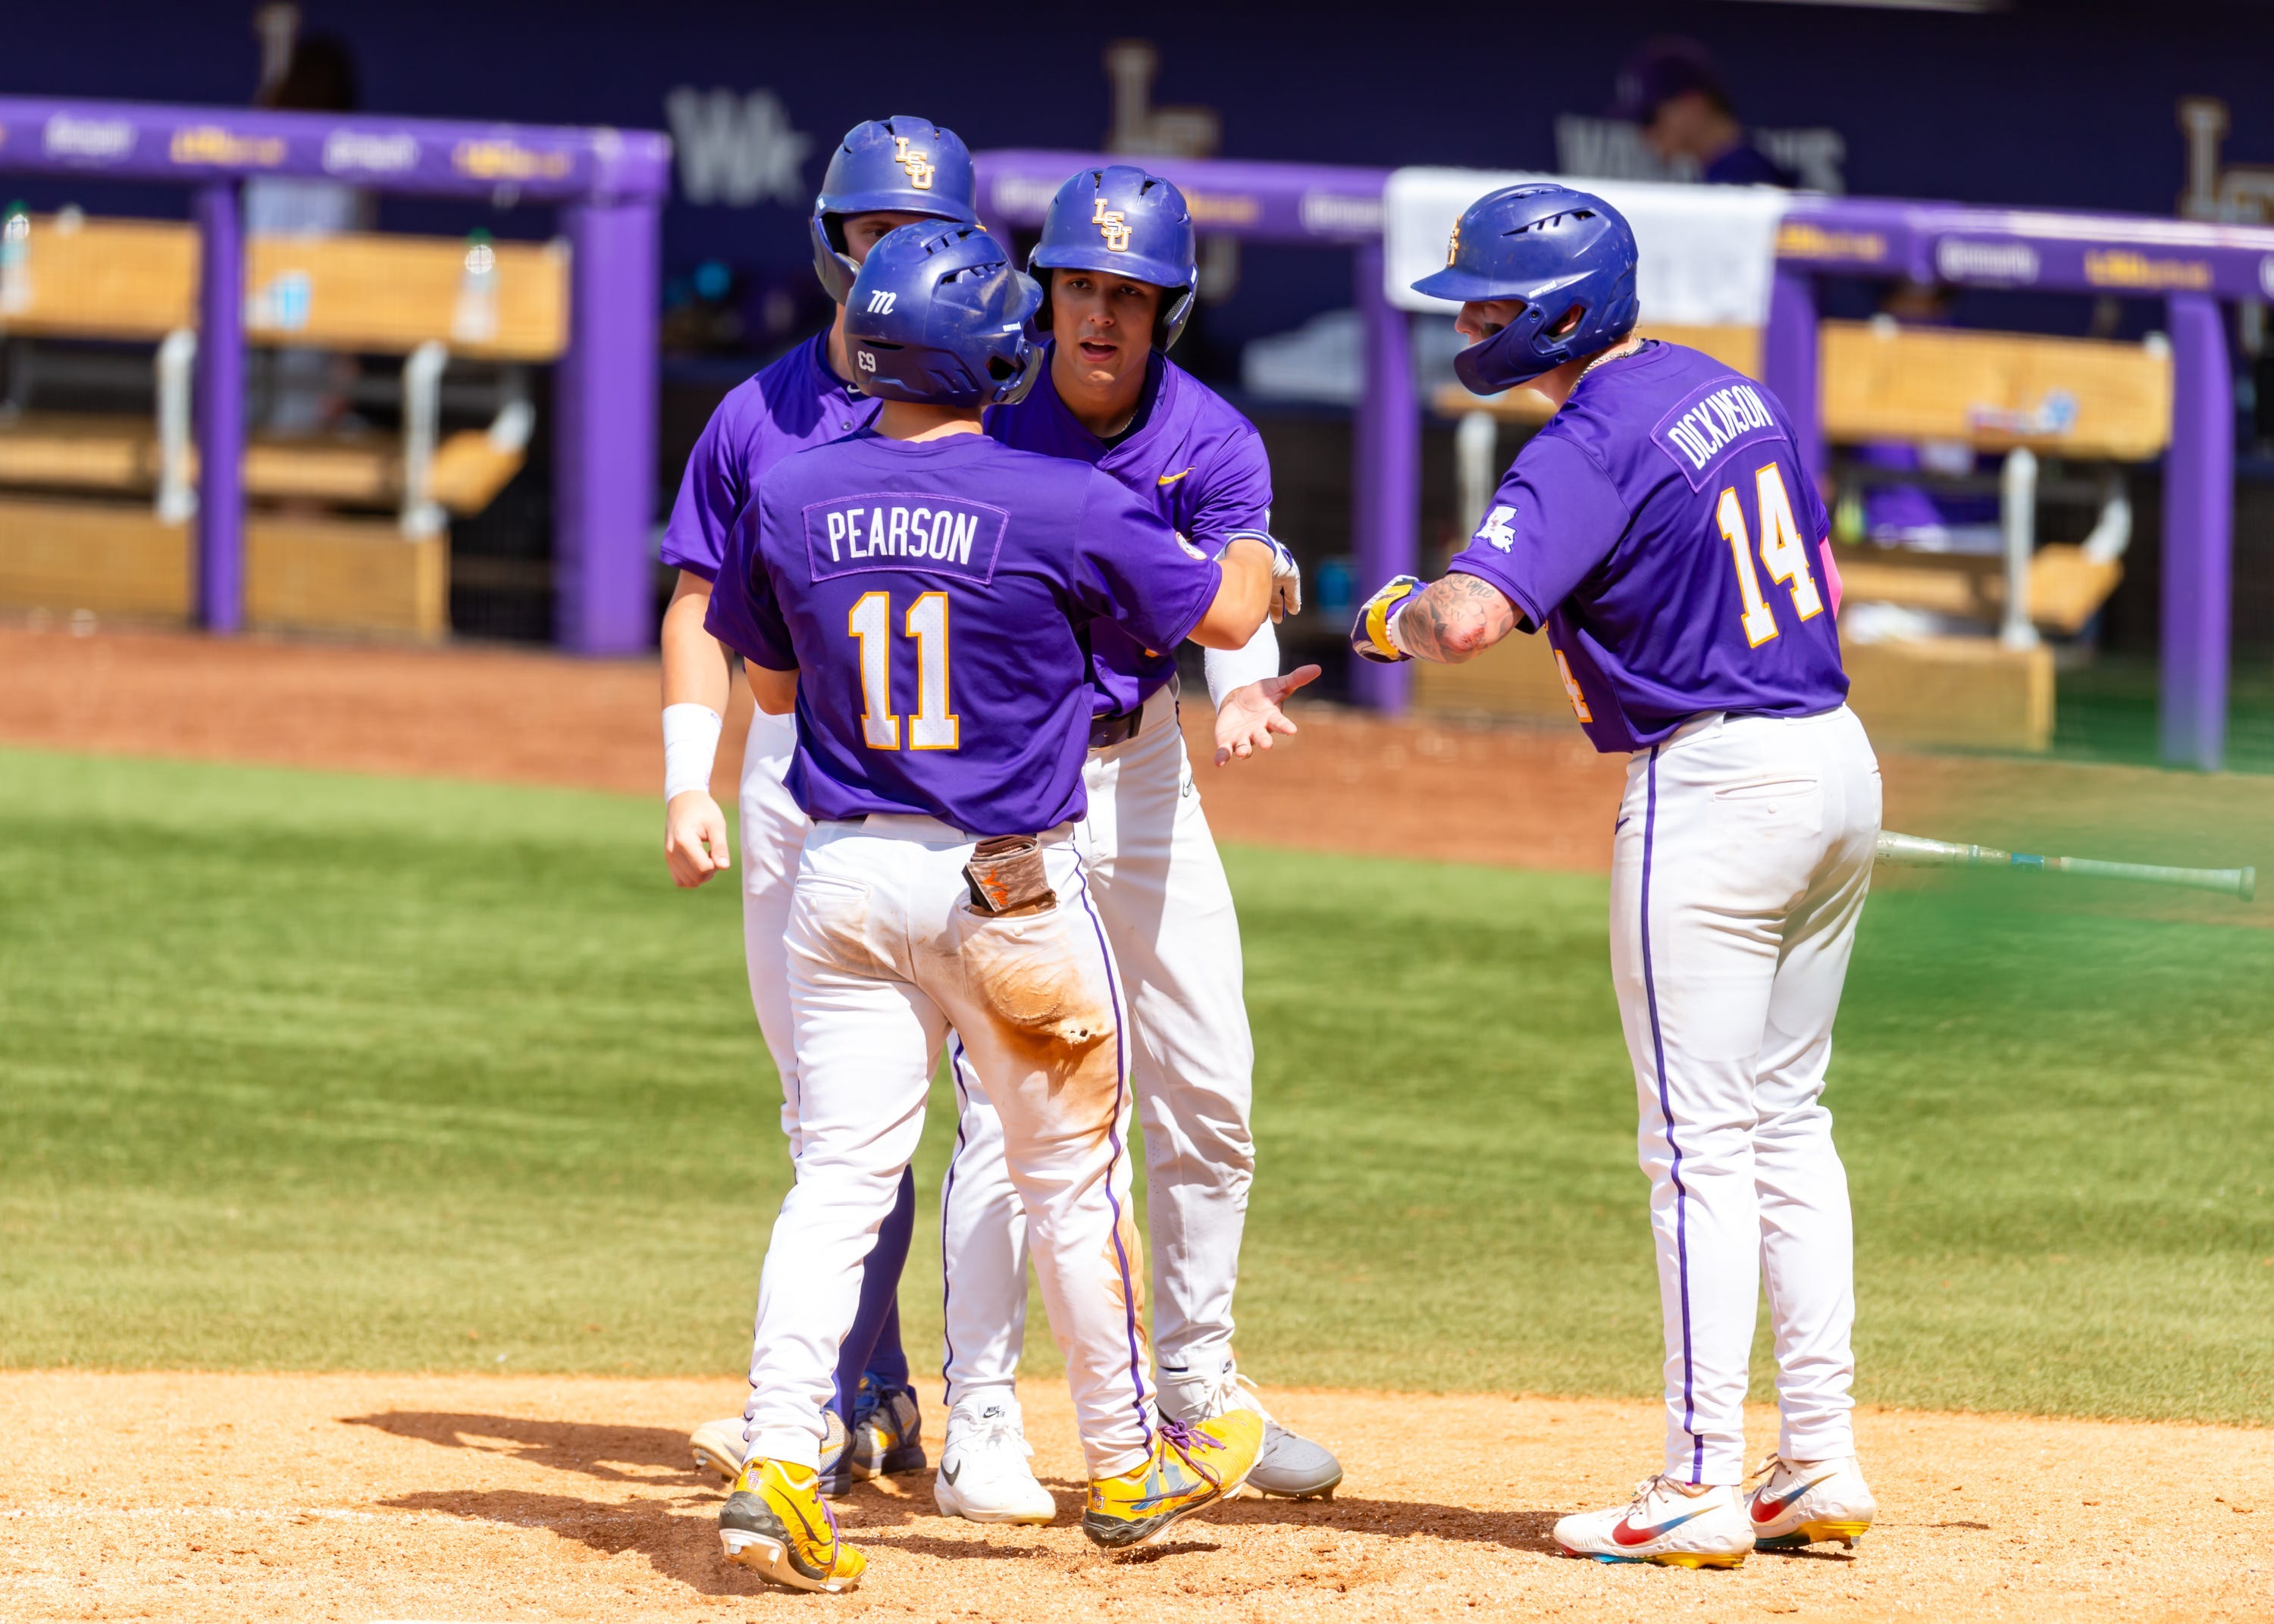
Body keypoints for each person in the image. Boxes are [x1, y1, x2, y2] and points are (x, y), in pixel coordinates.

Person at [703, 221, 1277, 1591]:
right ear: (992, 351)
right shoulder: (1061, 499)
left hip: (840, 878)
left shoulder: (790, 492)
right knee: (1071, 1180)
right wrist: (1268, 561)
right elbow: (1219, 607)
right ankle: (1130, 1460)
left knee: (837, 1178)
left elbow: (773, 689)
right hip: (1003, 884)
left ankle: (782, 1451)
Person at [1350, 183, 1878, 1569]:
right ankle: (1815, 1455)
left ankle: (1702, 1476)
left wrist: (1387, 614)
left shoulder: (1583, 440)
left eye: (1490, 302)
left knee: (1699, 1141)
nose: (1467, 324)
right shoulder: (1728, 387)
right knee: (1786, 1119)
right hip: (1830, 752)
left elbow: (1467, 618)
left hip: (1714, 789)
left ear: (1564, 309)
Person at [926, 163, 1338, 1522]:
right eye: (1081, 287)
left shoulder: (1213, 437)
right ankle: (978, 1415)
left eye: (1131, 295)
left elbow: (1238, 577)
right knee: (1013, 1112)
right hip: (1005, 784)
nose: (1101, 316)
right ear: (1045, 292)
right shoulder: (982, 410)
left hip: (1145, 771)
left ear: (1170, 308)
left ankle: (1199, 1388)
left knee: (1210, 1087)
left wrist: (1237, 692)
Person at [661, 115, 979, 1494]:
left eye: (917, 234)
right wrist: (688, 774)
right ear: (831, 243)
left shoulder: (999, 401)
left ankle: (990, 1404)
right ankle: (870, 1388)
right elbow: (694, 605)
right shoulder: (760, 414)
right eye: (869, 233)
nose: (888, 256)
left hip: (967, 793)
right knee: (835, 1112)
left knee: (1006, 1115)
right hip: (799, 780)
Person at [1612, 37, 1796, 188]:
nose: (1645, 133)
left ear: (1692, 103)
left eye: (1649, 118)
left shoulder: (1742, 173)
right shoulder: (1728, 168)